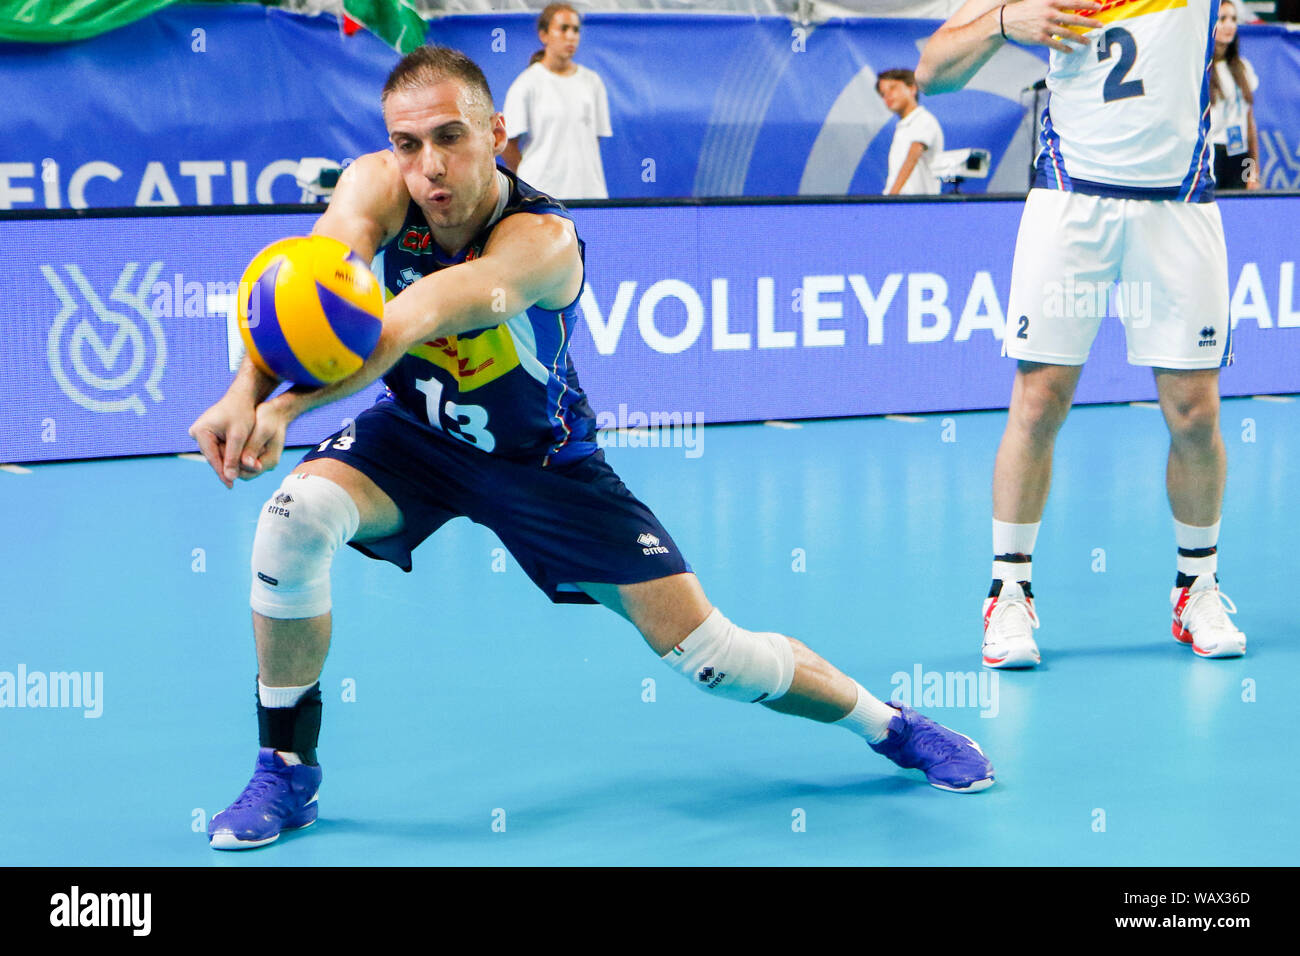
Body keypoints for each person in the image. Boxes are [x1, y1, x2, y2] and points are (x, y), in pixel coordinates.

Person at [189, 46, 995, 849]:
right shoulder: (376, 187)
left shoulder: (541, 242)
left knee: (712, 656)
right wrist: (240, 394)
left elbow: (405, 320)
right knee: (291, 518)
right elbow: (304, 293)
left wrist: (284, 409)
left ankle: (889, 725)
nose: (428, 166)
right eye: (408, 144)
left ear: (496, 132)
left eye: (450, 138)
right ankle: (287, 769)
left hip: (544, 462)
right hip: (416, 436)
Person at [917, 1, 1247, 668]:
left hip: (1177, 204)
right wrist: (1007, 22)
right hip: (1072, 199)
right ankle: (1008, 593)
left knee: (1195, 412)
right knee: (1039, 401)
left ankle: (1197, 587)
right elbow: (932, 71)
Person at [501, 3, 611, 200]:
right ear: (544, 35)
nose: (571, 36)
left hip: (590, 195)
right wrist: (531, 182)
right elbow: (508, 144)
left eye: (575, 30)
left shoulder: (592, 82)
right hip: (543, 198)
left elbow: (594, 138)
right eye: (563, 28)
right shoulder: (527, 84)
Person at [1209, 0, 1261, 190]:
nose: (1229, 25)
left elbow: (1250, 124)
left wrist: (1253, 172)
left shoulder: (1243, 68)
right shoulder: (1202, 70)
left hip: (1239, 152)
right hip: (1212, 152)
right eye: (1222, 19)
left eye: (1233, 19)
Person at [876, 68, 945, 196]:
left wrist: (892, 195)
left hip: (915, 206)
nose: (887, 96)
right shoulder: (902, 127)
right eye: (883, 93)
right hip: (898, 205)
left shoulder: (923, 120)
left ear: (912, 89)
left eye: (893, 88)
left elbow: (913, 155)